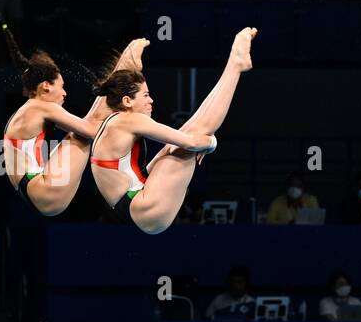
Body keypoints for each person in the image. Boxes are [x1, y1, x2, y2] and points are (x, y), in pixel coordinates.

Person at [88, 28, 255, 234]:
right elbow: (191, 142)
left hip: (135, 202)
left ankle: (235, 64)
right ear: (127, 101)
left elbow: (184, 141)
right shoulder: (128, 120)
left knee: (182, 140)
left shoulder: (114, 119)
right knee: (196, 133)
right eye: (146, 95)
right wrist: (211, 142)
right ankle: (235, 66)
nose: (151, 100)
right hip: (143, 207)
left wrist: (196, 143)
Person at [2, 39, 145, 216]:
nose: (65, 93)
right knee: (83, 134)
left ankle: (124, 67)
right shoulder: (41, 106)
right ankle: (124, 68)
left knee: (80, 133)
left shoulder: (27, 111)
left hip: (37, 194)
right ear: (46, 86)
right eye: (62, 87)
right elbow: (92, 130)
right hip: (45, 191)